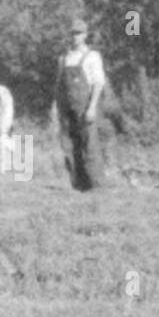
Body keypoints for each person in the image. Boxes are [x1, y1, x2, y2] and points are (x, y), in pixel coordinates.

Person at [54, 16, 106, 190]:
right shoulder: (64, 58)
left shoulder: (92, 56)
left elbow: (98, 84)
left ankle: (96, 185)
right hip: (66, 108)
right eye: (72, 33)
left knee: (90, 144)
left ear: (85, 35)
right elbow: (59, 86)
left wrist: (92, 107)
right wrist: (56, 108)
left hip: (85, 106)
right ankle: (77, 184)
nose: (75, 37)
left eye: (78, 33)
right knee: (69, 145)